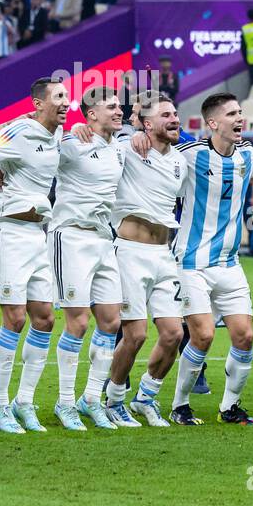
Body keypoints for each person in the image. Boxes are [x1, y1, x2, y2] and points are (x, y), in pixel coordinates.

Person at [0, 78, 67, 434]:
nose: (66, 103)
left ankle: (25, 402)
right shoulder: (20, 131)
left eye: (67, 97)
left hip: (38, 237)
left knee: (45, 319)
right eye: (59, 97)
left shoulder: (57, 136)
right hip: (8, 235)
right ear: (38, 104)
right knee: (15, 319)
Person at [171, 93, 253, 425]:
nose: (240, 118)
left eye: (240, 112)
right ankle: (180, 405)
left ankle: (230, 407)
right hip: (191, 263)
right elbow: (155, 160)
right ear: (213, 123)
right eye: (231, 114)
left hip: (229, 264)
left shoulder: (248, 156)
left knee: (245, 335)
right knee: (202, 335)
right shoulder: (190, 156)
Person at [100, 92, 188, 428]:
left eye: (175, 113)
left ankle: (146, 398)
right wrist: (130, 132)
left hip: (164, 254)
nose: (174, 119)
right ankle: (114, 400)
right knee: (135, 335)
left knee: (173, 334)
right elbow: (98, 140)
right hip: (130, 253)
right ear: (147, 123)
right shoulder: (127, 147)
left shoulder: (180, 160)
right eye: (166, 115)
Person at [44, 87, 127, 431]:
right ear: (91, 114)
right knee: (77, 323)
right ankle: (64, 402)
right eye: (111, 107)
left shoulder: (121, 147)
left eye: (120, 106)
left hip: (104, 238)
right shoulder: (71, 143)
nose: (119, 111)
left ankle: (91, 399)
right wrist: (0, 176)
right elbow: (33, 159)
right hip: (71, 237)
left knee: (111, 321)